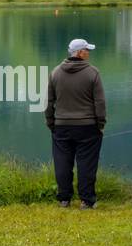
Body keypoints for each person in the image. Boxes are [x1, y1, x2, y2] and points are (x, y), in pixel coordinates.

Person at [45, 38, 107, 209]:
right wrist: (100, 124)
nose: (89, 52)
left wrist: (52, 123)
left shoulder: (55, 73)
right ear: (79, 53)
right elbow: (100, 103)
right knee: (87, 164)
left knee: (62, 162)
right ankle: (86, 200)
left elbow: (49, 102)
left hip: (61, 126)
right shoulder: (93, 73)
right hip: (88, 127)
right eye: (87, 50)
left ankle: (64, 199)